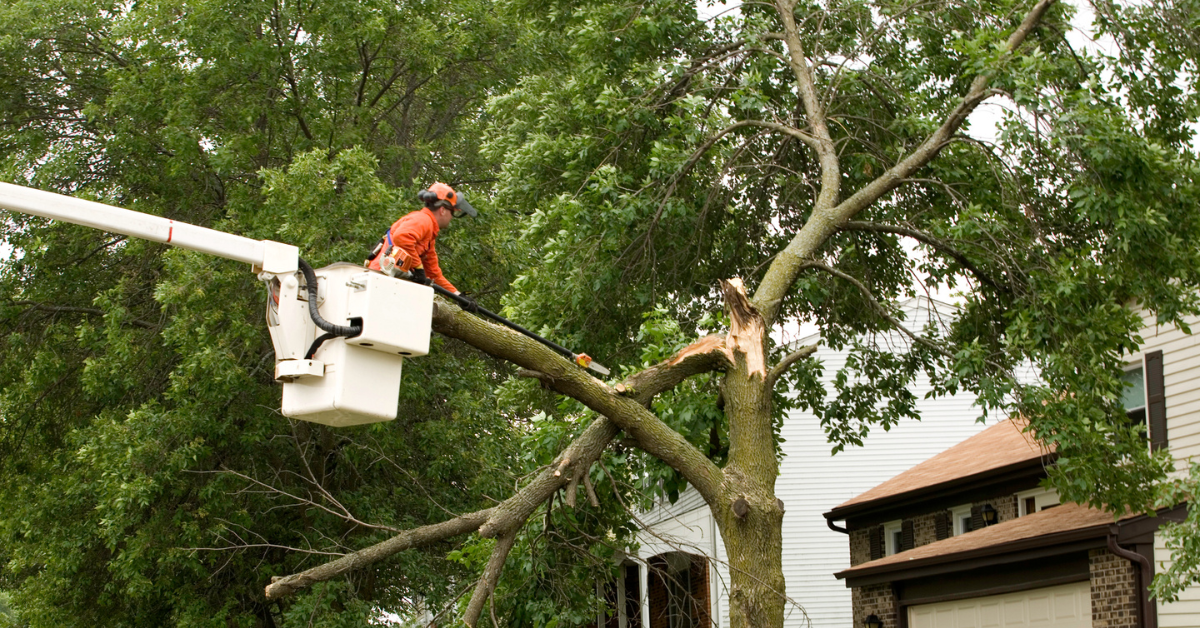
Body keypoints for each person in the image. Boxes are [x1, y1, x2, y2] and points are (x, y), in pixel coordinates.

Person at [366, 182, 477, 298]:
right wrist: (418, 268)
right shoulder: (423, 220)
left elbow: (434, 274)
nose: (451, 217)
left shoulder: (429, 236)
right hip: (380, 279)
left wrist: (458, 296)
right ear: (443, 210)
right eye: (452, 212)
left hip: (388, 282)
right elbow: (401, 237)